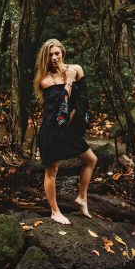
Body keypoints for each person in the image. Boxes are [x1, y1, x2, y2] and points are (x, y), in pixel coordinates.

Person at [33, 38, 98, 224]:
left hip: (69, 131)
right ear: (45, 58)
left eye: (56, 53)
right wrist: (68, 82)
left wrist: (79, 119)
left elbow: (83, 99)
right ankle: (55, 211)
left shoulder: (76, 69)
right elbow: (60, 109)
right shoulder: (46, 80)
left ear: (63, 52)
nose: (54, 57)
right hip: (52, 130)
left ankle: (82, 198)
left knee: (91, 160)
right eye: (50, 55)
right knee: (52, 170)